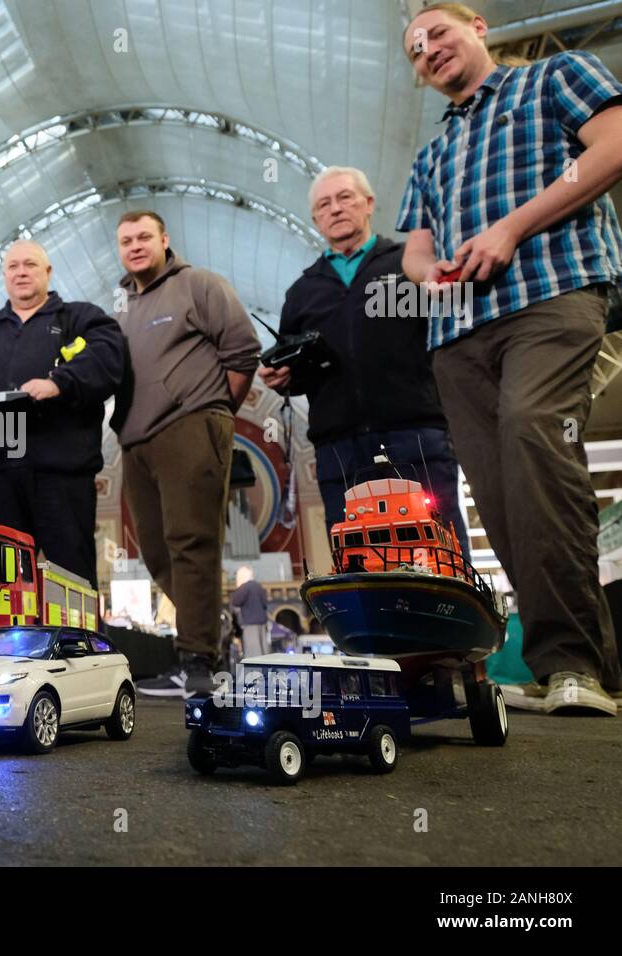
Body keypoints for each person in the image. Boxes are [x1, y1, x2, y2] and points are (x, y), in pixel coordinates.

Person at [398, 3, 622, 715]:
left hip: (550, 293)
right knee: (497, 490)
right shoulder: (430, 155)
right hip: (458, 336)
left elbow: (612, 145)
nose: (427, 49)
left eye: (437, 33)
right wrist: (426, 273)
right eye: (414, 49)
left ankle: (576, 663)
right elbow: (414, 248)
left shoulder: (556, 76)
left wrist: (511, 228)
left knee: (533, 436)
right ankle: (563, 663)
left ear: (480, 26)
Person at [258, 166, 470, 561]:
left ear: (369, 204)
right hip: (338, 446)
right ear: (315, 218)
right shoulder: (302, 293)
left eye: (345, 198)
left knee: (439, 549)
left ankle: (457, 621)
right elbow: (298, 371)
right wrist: (284, 377)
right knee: (359, 556)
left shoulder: (407, 268)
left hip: (415, 432)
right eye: (324, 204)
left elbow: (450, 330)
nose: (336, 209)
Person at [111, 211, 261, 697]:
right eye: (126, 240)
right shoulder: (118, 306)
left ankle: (198, 656)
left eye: (144, 237)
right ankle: (209, 628)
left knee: (191, 541)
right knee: (155, 551)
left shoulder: (199, 285)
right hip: (135, 440)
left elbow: (242, 352)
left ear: (165, 239)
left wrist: (213, 412)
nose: (135, 246)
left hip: (191, 425)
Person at [0, 240, 123, 587]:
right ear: (4, 276)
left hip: (61, 476)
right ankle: (8, 643)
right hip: (0, 479)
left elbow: (109, 359)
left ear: (47, 272)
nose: (21, 272)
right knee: (5, 584)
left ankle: (81, 641)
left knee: (73, 577)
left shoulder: (80, 319)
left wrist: (60, 382)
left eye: (30, 265)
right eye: (13, 266)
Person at [230, 566, 269, 659]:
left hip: (250, 624)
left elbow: (235, 601)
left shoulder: (245, 587)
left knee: (253, 652)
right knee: (263, 648)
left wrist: (239, 587)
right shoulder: (259, 587)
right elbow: (265, 604)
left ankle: (255, 672)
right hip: (262, 623)